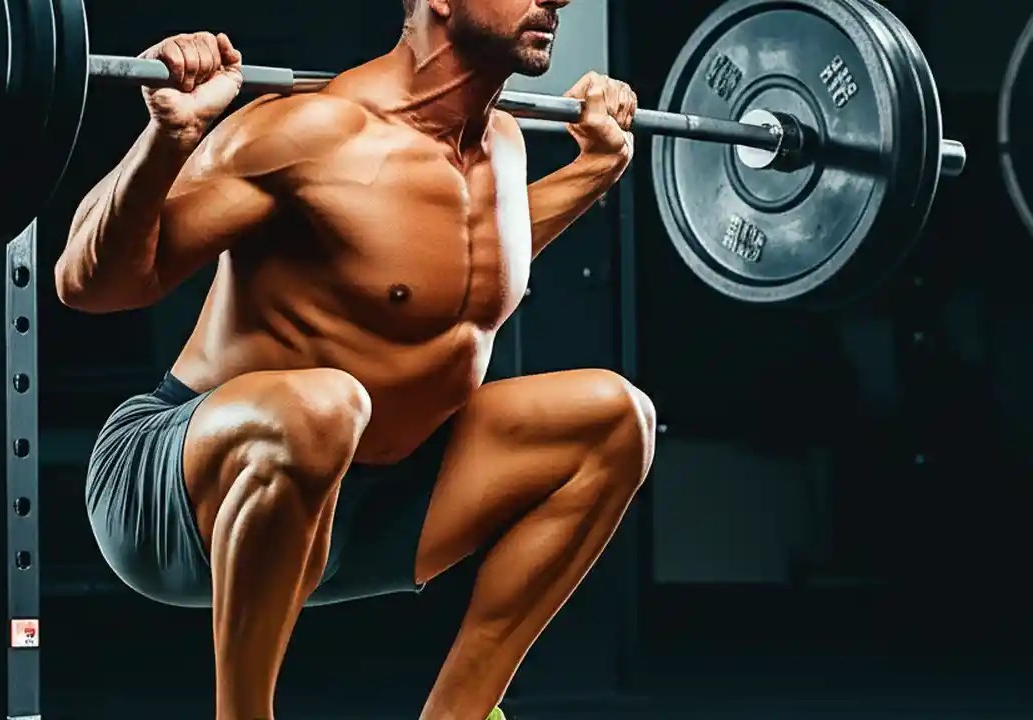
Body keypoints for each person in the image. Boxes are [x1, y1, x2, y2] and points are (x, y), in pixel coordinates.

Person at [57, 0, 655, 717]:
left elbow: (449, 286)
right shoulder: (313, 132)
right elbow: (90, 286)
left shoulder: (501, 143)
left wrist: (595, 169)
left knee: (618, 417)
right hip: (181, 494)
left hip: (368, 502)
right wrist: (168, 139)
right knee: (323, 407)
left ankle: (460, 713)